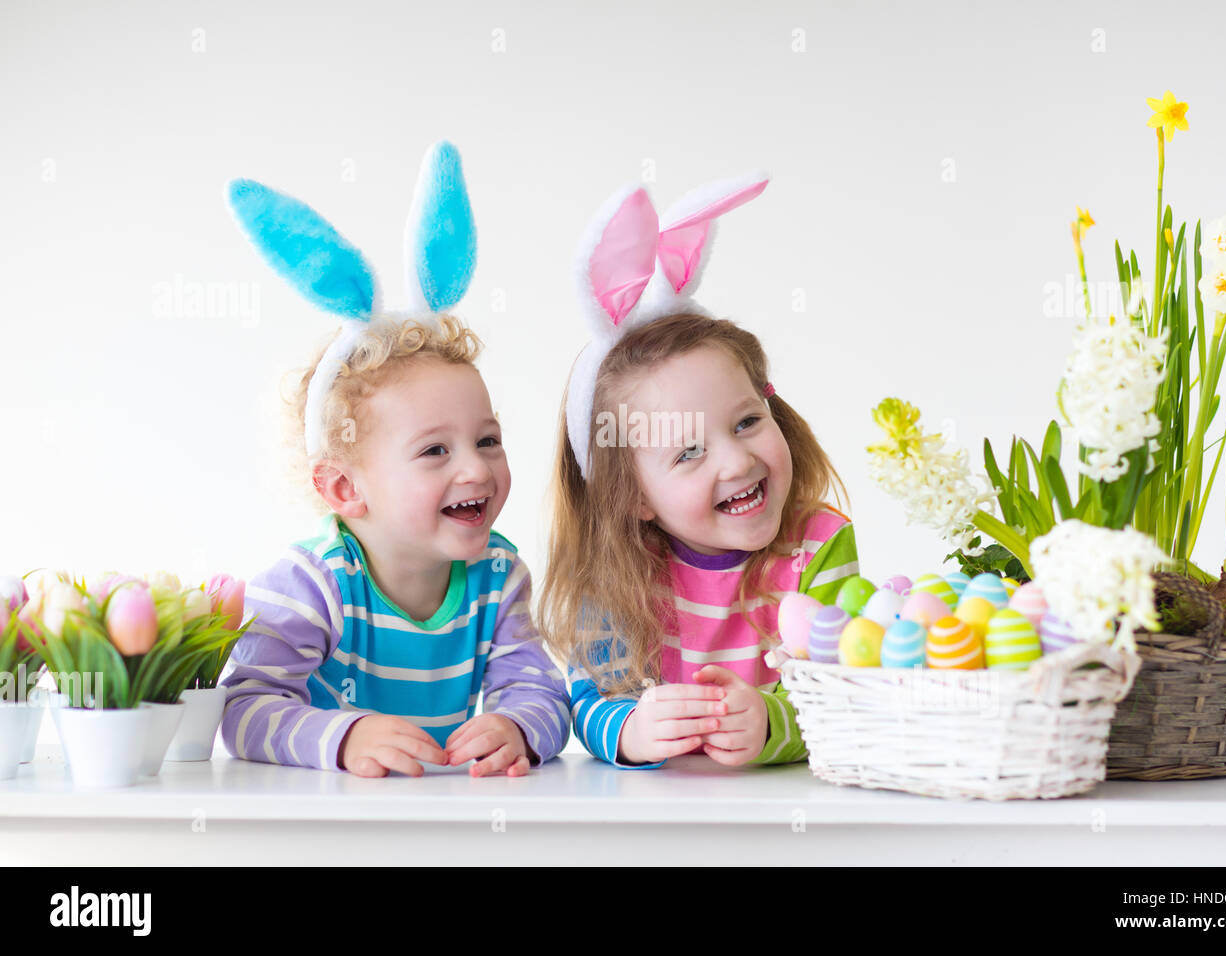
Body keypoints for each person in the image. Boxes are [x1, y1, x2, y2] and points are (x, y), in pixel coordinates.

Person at [219, 142, 568, 778]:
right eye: (435, 450)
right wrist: (343, 738)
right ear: (347, 488)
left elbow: (542, 692)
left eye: (487, 439)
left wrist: (514, 726)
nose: (477, 468)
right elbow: (244, 709)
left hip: (440, 819)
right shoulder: (312, 585)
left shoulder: (498, 576)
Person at [539, 173, 857, 769]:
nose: (738, 461)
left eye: (745, 423)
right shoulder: (615, 571)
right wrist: (631, 729)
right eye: (687, 453)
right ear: (633, 494)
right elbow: (590, 698)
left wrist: (770, 723)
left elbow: (845, 691)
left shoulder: (818, 545)